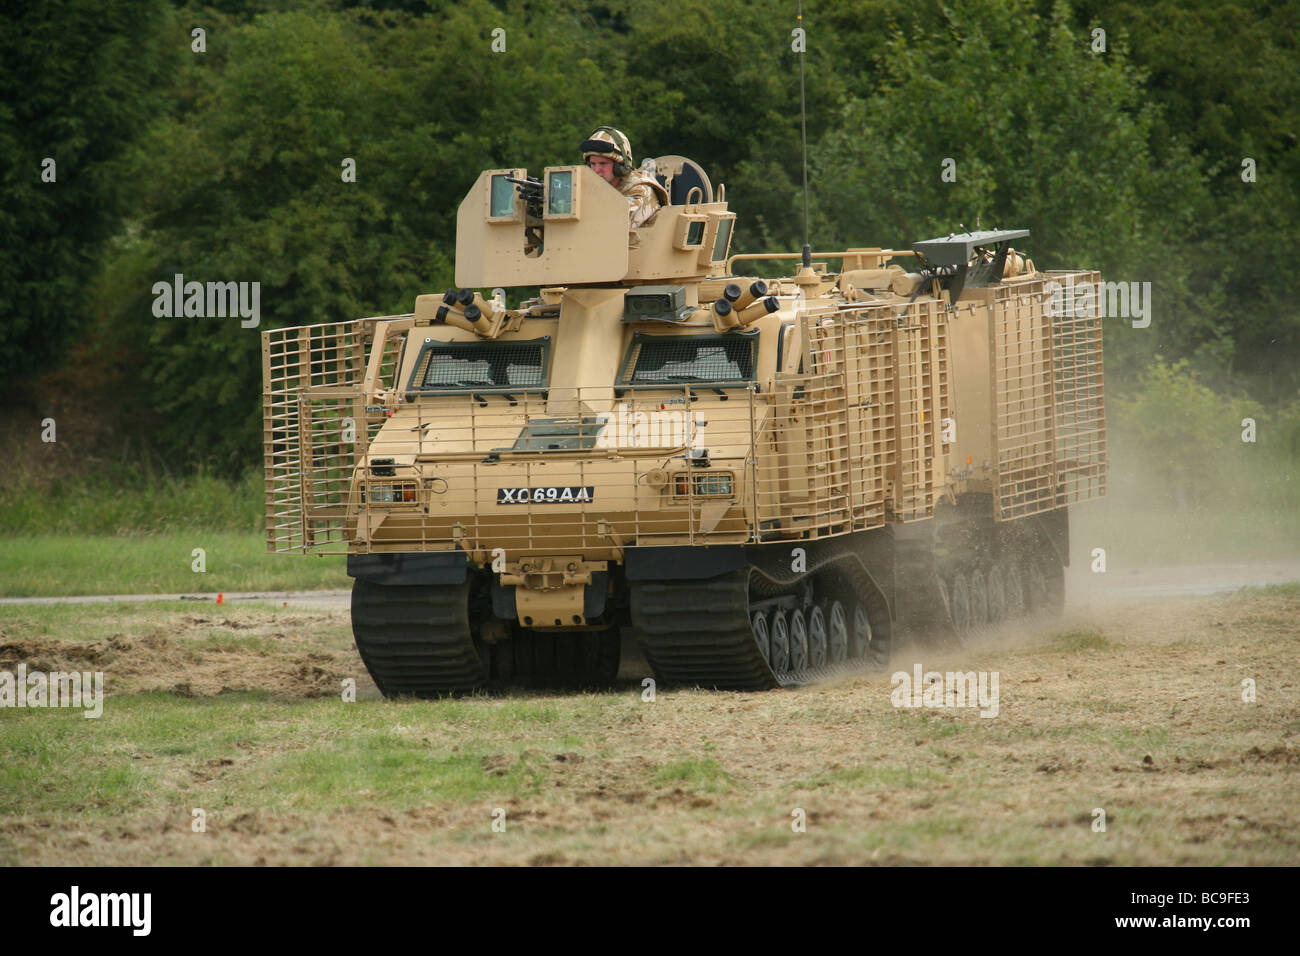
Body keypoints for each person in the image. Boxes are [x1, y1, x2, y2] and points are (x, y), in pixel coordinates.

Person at [579, 126, 667, 228]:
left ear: (619, 166)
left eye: (603, 163)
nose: (596, 170)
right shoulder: (595, 190)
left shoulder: (641, 191)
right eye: (593, 164)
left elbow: (614, 225)